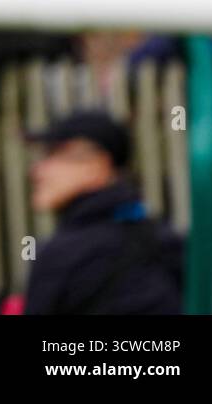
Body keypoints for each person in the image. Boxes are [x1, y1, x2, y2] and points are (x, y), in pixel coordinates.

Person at [24, 111, 183, 314]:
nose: (38, 170)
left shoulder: (64, 254)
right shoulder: (163, 237)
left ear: (97, 164)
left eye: (53, 155)